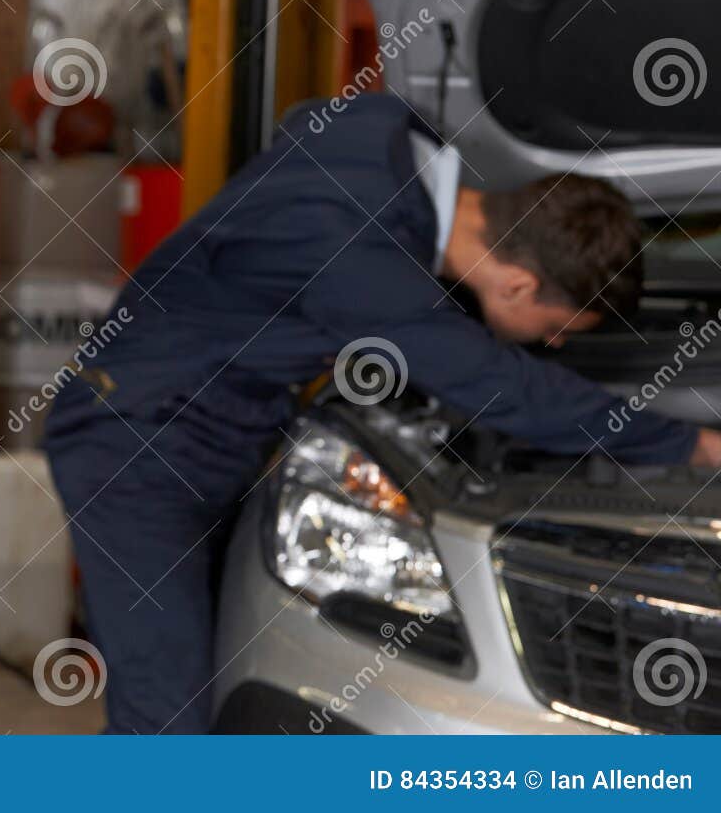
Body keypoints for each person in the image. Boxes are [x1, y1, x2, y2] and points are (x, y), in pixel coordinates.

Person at [42, 92, 721, 735]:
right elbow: (502, 387)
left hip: (207, 422)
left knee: (210, 681)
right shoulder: (359, 257)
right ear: (516, 282)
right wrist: (690, 446)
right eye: (558, 330)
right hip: (137, 447)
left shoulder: (383, 129)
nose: (554, 346)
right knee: (164, 715)